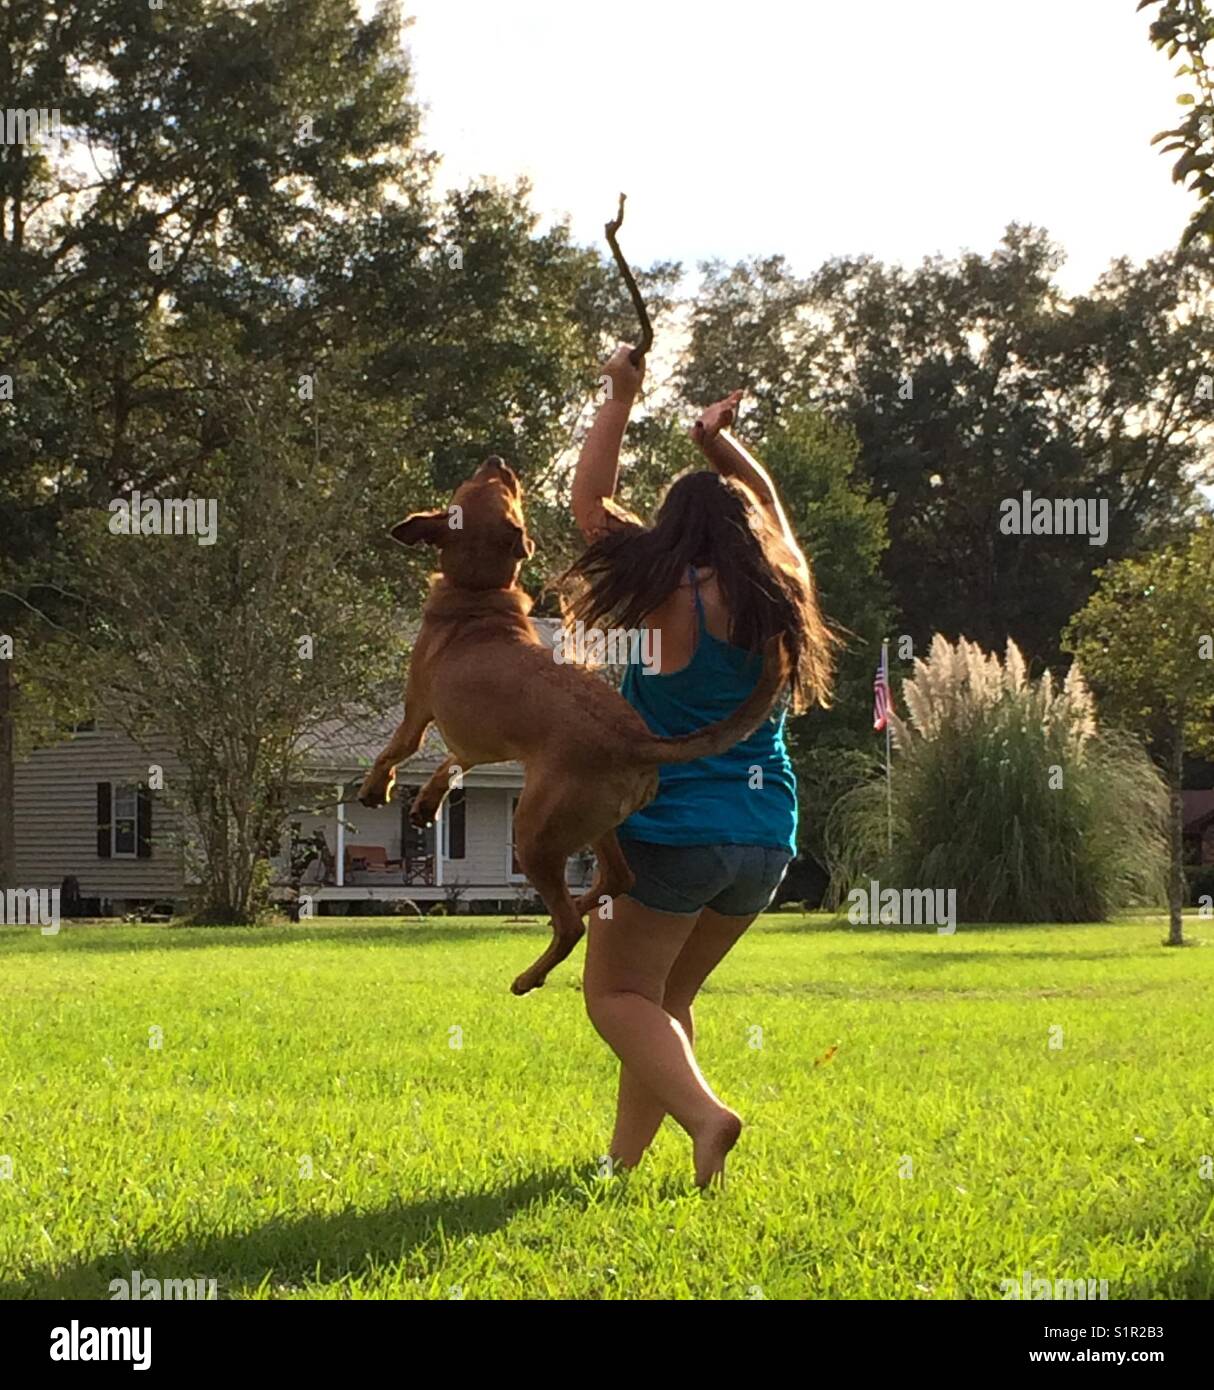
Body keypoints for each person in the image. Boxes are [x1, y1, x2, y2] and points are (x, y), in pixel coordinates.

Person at [562, 345, 838, 1187]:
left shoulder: (661, 589)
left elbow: (587, 505)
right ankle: (621, 1164)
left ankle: (708, 1114)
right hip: (765, 841)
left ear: (674, 531)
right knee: (664, 1002)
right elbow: (776, 513)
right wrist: (724, 446)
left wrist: (620, 395)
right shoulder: (780, 588)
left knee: (613, 998)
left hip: (672, 834)